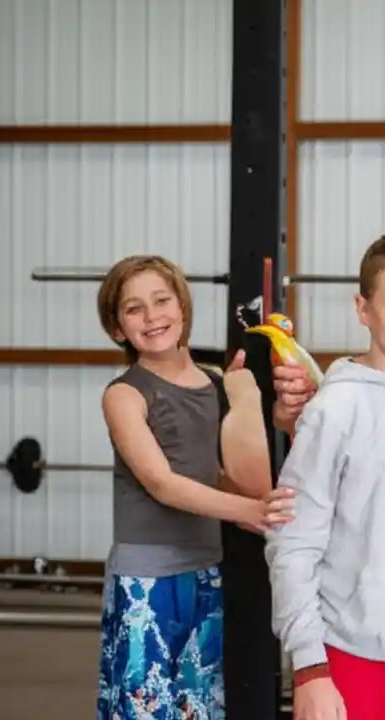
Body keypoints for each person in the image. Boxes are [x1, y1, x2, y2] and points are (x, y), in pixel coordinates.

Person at [265, 232, 385, 720]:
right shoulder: (336, 406)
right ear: (363, 308)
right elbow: (292, 540)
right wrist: (309, 666)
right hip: (346, 651)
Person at [95, 254, 294, 719]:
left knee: (198, 704)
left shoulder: (214, 383)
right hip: (145, 580)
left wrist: (260, 501)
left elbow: (212, 476)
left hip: (205, 570)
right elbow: (163, 483)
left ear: (182, 307)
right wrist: (248, 512)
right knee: (144, 707)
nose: (152, 316)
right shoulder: (123, 395)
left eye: (161, 301)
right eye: (134, 308)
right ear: (117, 328)